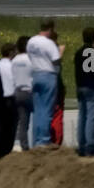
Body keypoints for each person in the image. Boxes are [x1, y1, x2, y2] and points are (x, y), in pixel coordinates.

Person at [26, 19, 64, 147]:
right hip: (48, 75)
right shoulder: (49, 43)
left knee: (38, 110)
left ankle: (36, 140)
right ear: (51, 29)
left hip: (35, 74)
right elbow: (56, 60)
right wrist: (61, 52)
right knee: (47, 110)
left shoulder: (31, 41)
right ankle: (44, 140)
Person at [73, 27, 94, 157]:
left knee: (82, 116)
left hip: (80, 86)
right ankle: (90, 146)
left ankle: (81, 145)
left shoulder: (78, 52)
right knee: (92, 118)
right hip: (91, 87)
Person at [11, 36, 33, 151]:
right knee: (38, 117)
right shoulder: (30, 59)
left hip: (17, 92)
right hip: (29, 92)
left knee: (22, 122)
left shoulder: (14, 60)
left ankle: (24, 145)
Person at [0, 42, 17, 157]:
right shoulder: (12, 66)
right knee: (11, 128)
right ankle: (7, 151)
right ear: (11, 53)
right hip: (10, 98)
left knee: (1, 127)